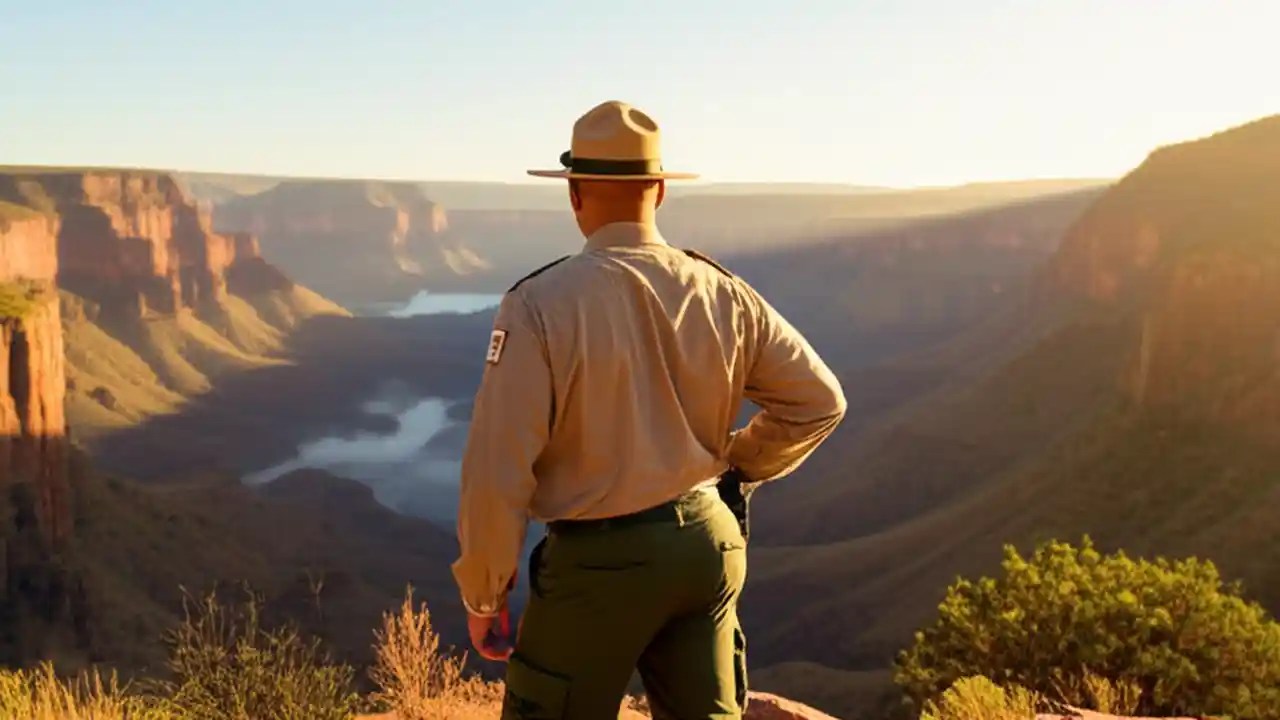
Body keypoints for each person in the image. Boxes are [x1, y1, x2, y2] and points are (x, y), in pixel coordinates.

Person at [451, 100, 846, 720]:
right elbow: (819, 401)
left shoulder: (538, 305)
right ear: (658, 192)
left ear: (575, 194)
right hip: (708, 554)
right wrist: (736, 463)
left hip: (598, 567)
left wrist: (485, 596)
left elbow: (497, 466)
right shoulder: (723, 290)